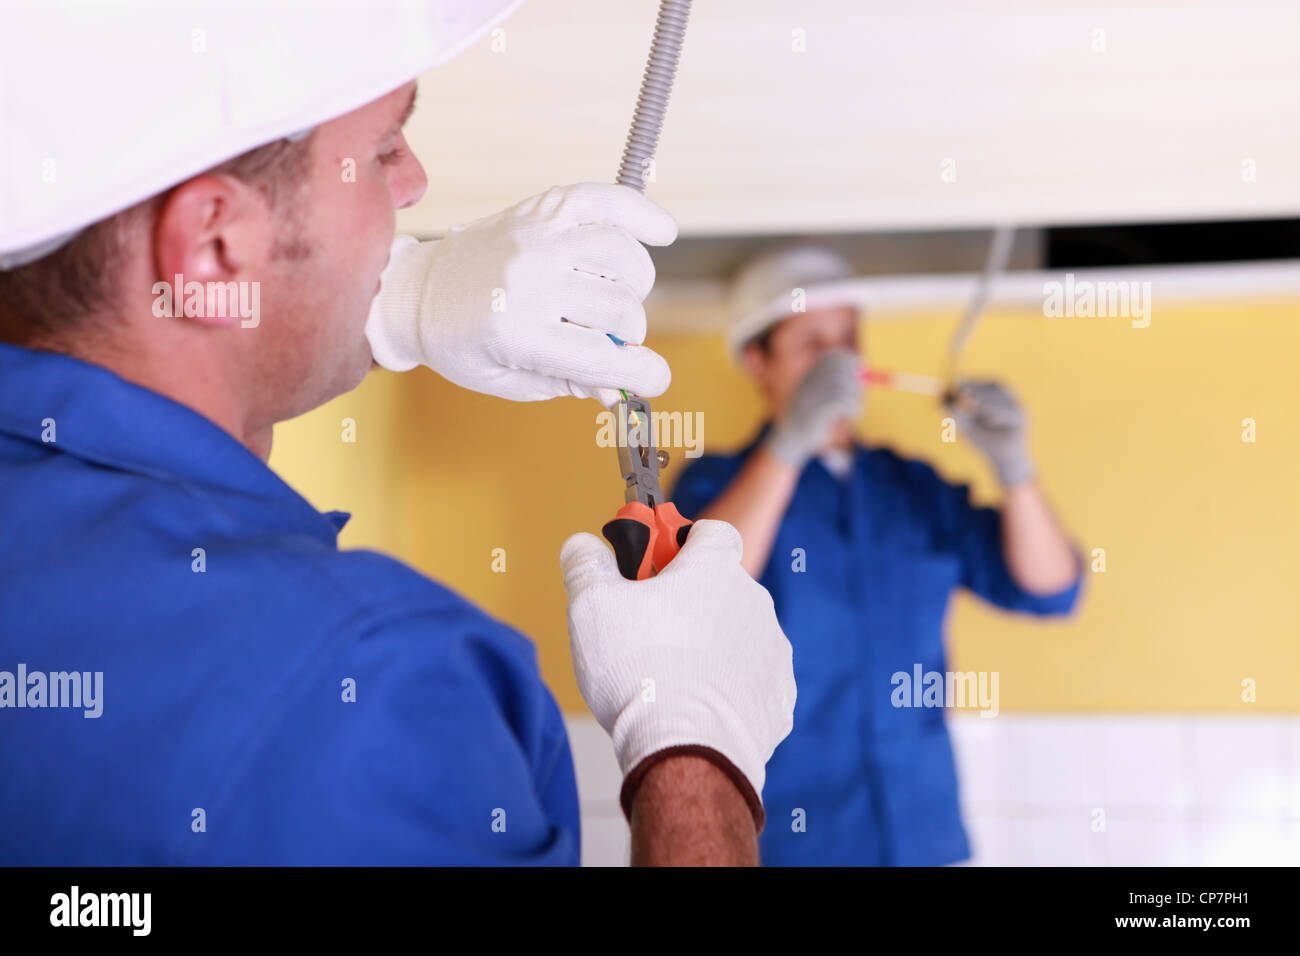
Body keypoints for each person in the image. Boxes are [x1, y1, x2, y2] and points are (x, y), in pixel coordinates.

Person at [0, 0, 795, 866]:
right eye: (383, 147)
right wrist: (695, 756)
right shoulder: (367, 684)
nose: (412, 179)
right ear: (215, 244)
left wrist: (392, 308)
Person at [670, 245, 1083, 866]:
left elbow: (1052, 589)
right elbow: (696, 595)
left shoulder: (915, 488)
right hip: (789, 843)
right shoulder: (714, 485)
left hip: (924, 837)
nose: (840, 360)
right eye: (813, 343)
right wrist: (788, 445)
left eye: (848, 338)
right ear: (758, 361)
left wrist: (1016, 470)